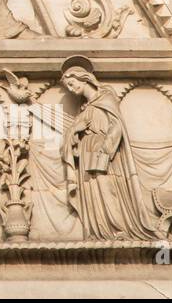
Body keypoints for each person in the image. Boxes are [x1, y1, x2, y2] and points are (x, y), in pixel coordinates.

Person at [60, 58, 160, 241]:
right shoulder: (84, 109)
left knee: (107, 188)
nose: (71, 90)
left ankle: (116, 229)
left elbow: (116, 125)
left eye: (72, 84)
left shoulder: (106, 97)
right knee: (92, 191)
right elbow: (75, 135)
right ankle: (98, 232)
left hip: (101, 151)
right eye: (68, 87)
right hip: (86, 152)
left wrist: (105, 149)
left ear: (84, 79)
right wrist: (74, 134)